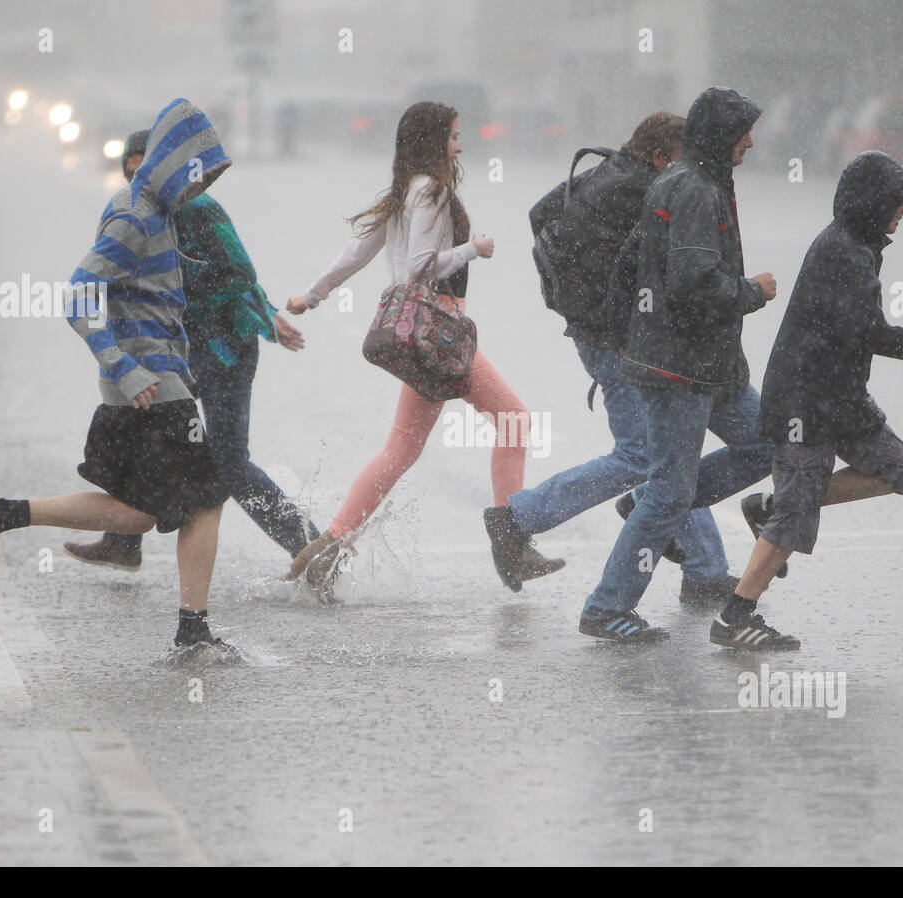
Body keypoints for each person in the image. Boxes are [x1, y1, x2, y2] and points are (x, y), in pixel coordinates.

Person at [0, 99, 234, 651]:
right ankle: (193, 630)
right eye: (197, 175)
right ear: (172, 164)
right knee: (206, 498)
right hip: (151, 387)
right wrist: (123, 367)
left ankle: (0, 511)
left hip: (151, 384)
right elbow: (80, 293)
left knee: (138, 515)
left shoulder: (155, 211)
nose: (201, 189)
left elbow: (148, 292)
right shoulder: (135, 215)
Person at [284, 101, 563, 592]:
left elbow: (358, 251)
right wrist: (473, 249)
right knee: (514, 421)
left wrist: (312, 295)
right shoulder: (430, 190)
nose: (461, 144)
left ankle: (327, 545)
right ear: (434, 141)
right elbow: (419, 266)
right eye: (455, 135)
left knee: (402, 448)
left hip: (420, 332)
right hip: (439, 329)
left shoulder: (405, 190)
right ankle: (511, 542)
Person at [708, 151, 903, 649]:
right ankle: (734, 618)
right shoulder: (845, 252)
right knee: (797, 515)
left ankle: (769, 508)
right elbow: (869, 332)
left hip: (840, 397)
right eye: (901, 202)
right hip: (806, 402)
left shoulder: (860, 244)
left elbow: (855, 333)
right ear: (876, 203)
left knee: (896, 468)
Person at [486, 111, 739, 607]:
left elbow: (541, 214)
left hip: (602, 336)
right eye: (681, 158)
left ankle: (705, 567)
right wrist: (616, 328)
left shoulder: (605, 172)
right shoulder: (637, 190)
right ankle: (517, 519)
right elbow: (632, 271)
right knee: (647, 455)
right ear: (663, 154)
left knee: (664, 456)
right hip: (617, 345)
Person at [63, 129, 319, 573]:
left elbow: (240, 270)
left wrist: (266, 312)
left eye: (144, 168)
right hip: (173, 351)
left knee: (227, 461)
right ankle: (122, 543)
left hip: (223, 348)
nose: (136, 178)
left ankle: (310, 545)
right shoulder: (139, 214)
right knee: (141, 434)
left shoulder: (199, 209)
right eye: (129, 170)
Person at [578, 86, 778, 643]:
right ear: (721, 135)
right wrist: (751, 291)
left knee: (768, 442)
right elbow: (693, 286)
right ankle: (606, 607)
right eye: (744, 132)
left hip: (710, 366)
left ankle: (649, 504)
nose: (752, 142)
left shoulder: (699, 179)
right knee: (671, 488)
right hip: (679, 370)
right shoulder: (691, 186)